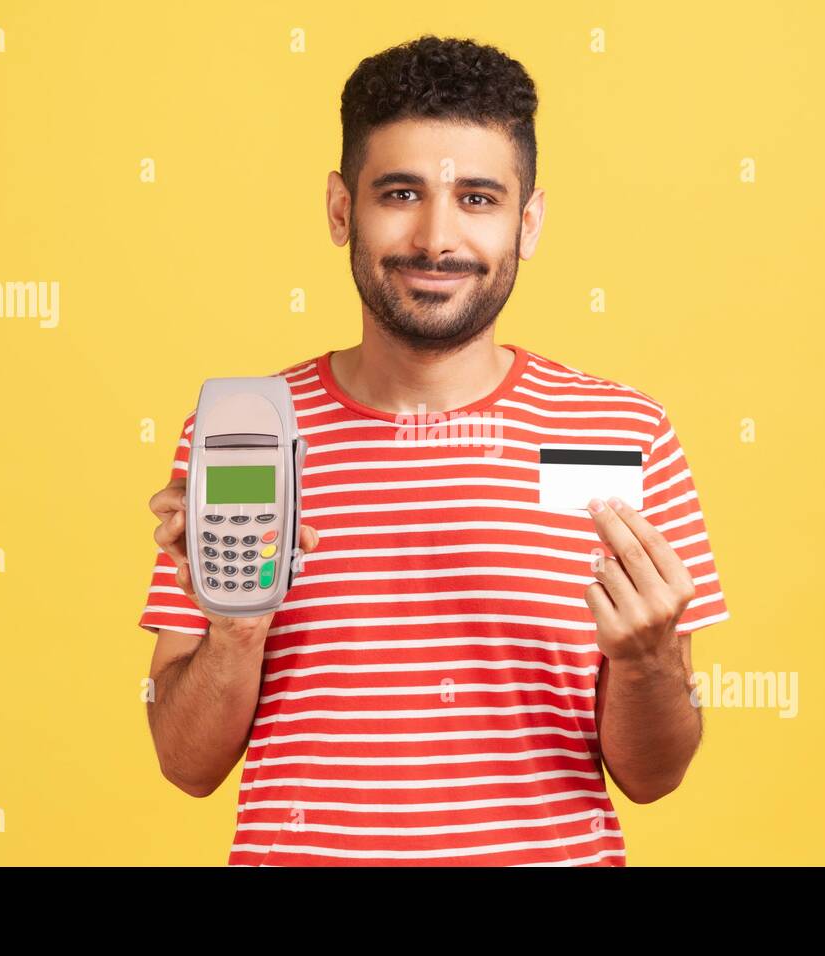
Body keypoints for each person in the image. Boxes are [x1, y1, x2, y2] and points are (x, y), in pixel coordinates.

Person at [138, 34, 730, 866]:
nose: (436, 238)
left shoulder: (616, 438)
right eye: (401, 193)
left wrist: (644, 664)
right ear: (342, 209)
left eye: (479, 199)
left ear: (529, 223)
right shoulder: (249, 432)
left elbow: (654, 776)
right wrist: (238, 628)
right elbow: (186, 764)